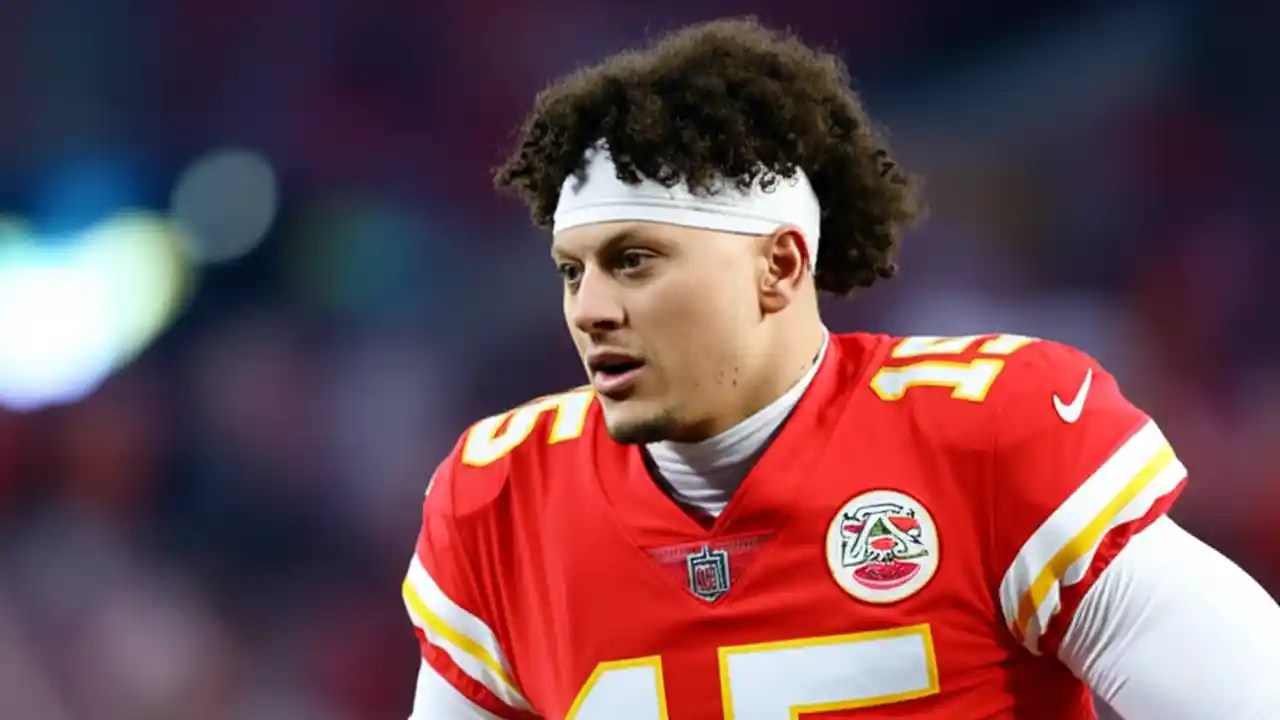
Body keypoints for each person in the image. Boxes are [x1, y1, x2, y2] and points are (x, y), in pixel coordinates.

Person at [401, 17, 1280, 719]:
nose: (589, 307)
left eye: (635, 260)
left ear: (780, 266)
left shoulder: (982, 436)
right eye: (572, 269)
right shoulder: (502, 498)